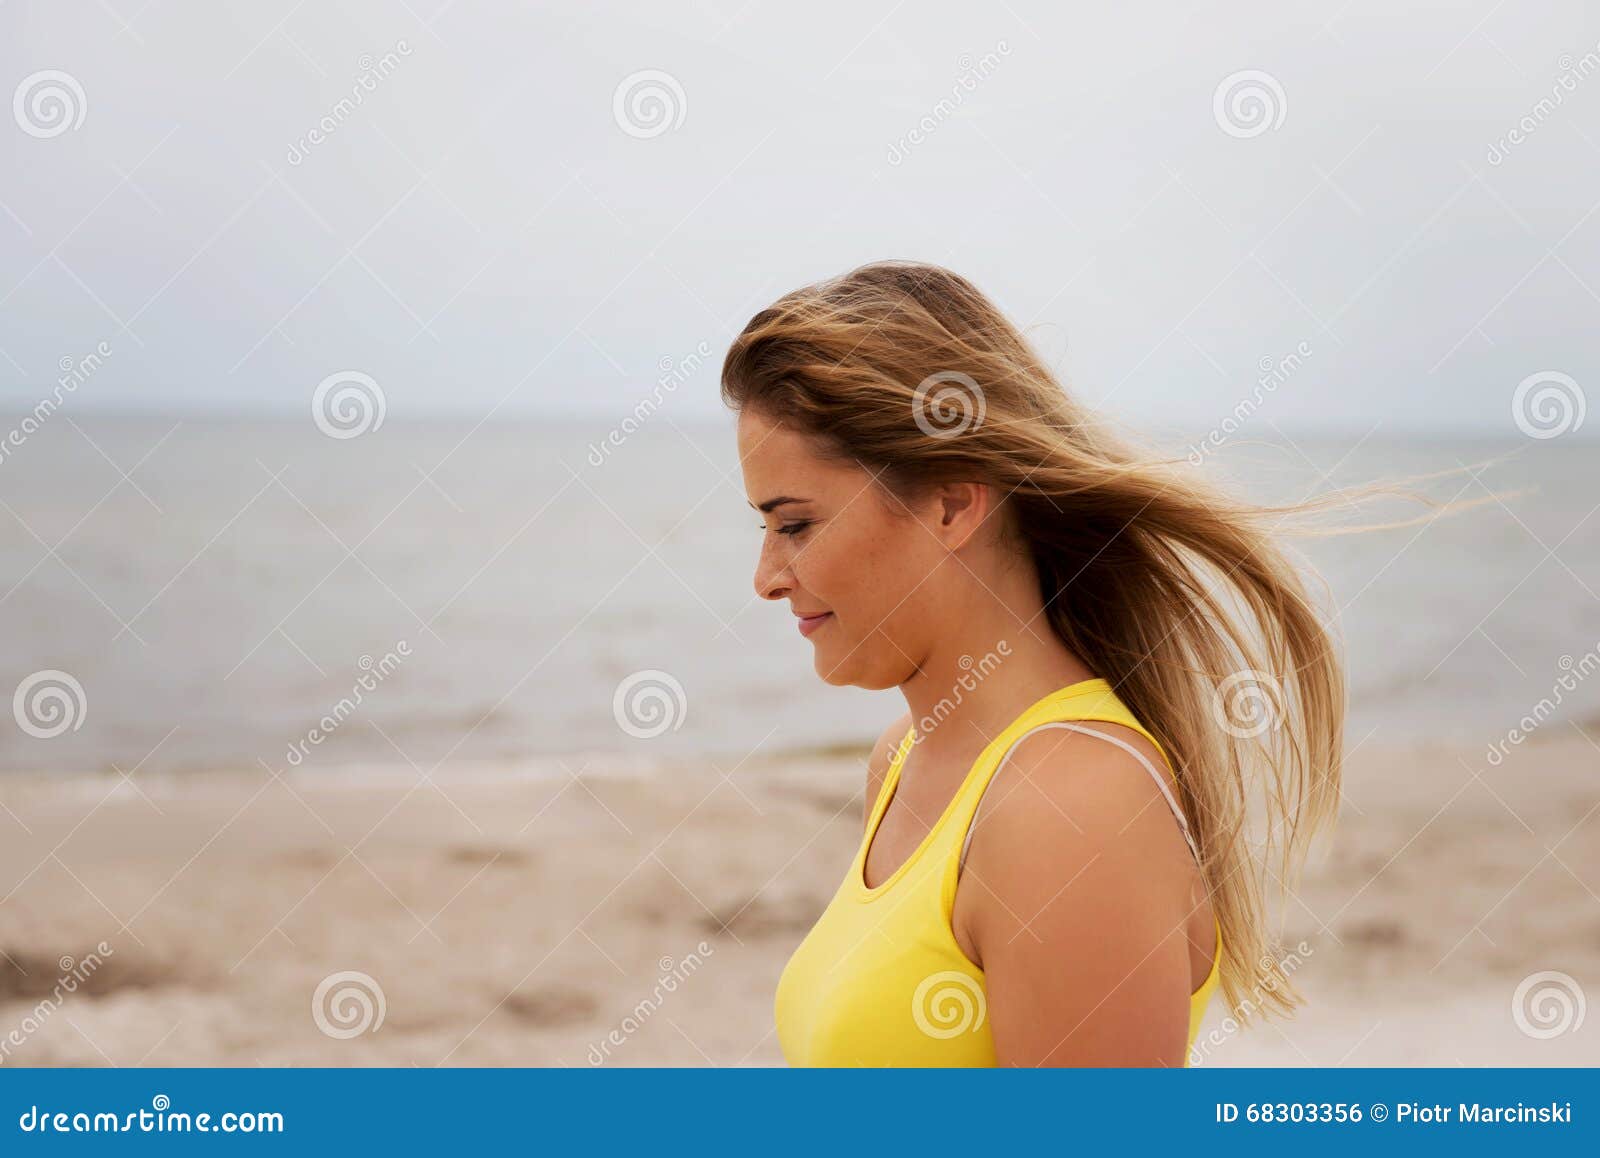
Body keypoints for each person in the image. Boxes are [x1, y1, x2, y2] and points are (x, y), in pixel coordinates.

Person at [722, 260, 1344, 1066]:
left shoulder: (1071, 808)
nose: (768, 578)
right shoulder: (906, 763)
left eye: (797, 525)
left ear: (951, 502)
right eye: (764, 529)